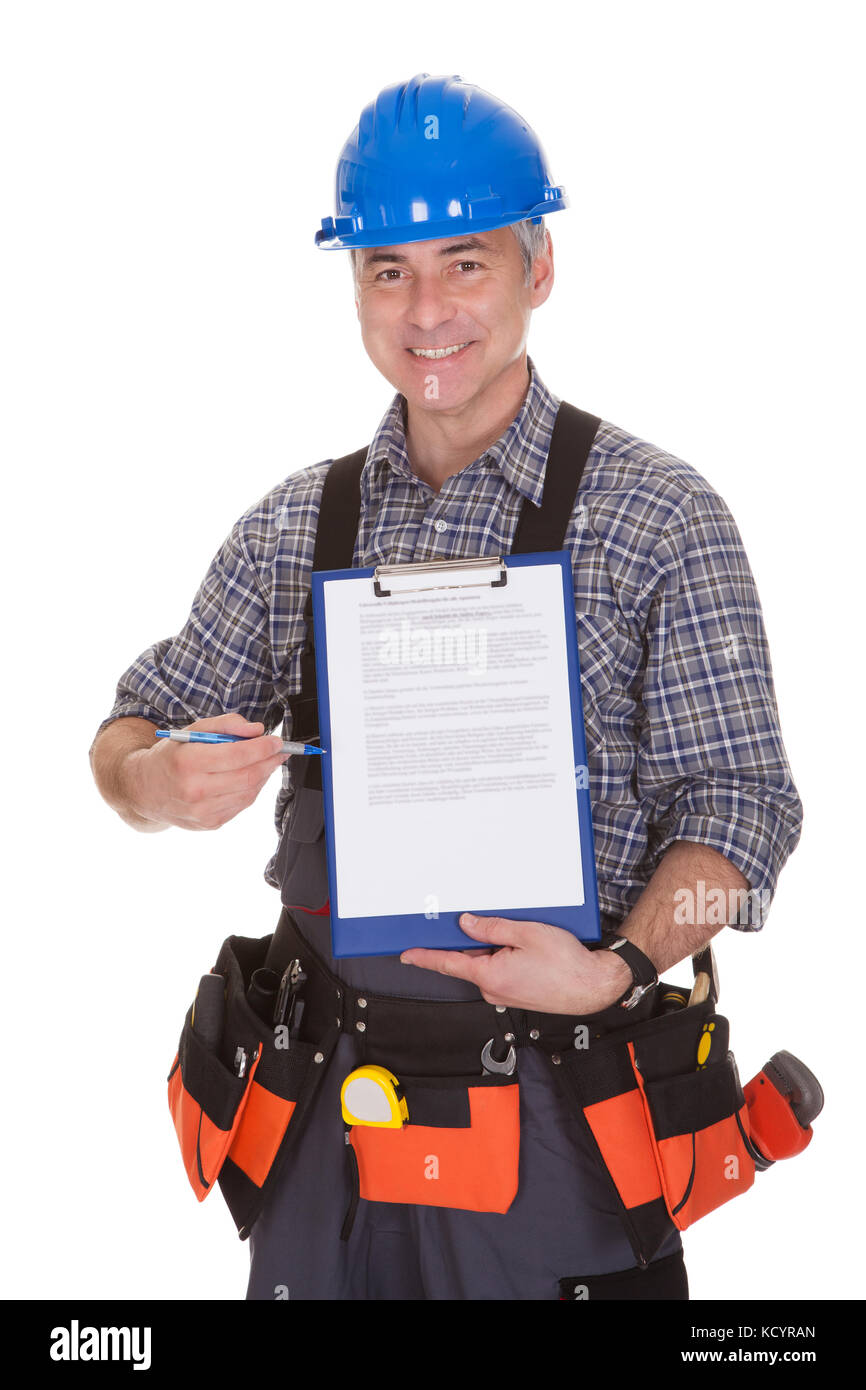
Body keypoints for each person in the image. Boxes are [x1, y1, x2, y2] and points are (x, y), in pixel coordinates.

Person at [89, 73, 803, 1301]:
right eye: (385, 270)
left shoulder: (658, 520)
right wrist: (153, 776)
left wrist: (617, 967)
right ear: (352, 286)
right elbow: (127, 737)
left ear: (538, 267)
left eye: (463, 262)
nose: (424, 310)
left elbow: (741, 821)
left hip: (558, 1140)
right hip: (324, 1135)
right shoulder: (296, 530)